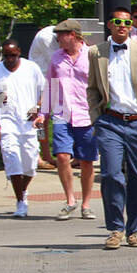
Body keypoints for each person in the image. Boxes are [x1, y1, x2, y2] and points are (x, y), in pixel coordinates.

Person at [87, 6, 137, 250]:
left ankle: (135, 230)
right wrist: (96, 117)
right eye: (117, 21)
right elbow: (92, 88)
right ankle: (115, 228)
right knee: (110, 175)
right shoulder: (96, 52)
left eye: (127, 22)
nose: (122, 26)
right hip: (110, 121)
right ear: (109, 25)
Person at [0, 38, 47, 217]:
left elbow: (44, 92)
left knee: (30, 166)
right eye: (6, 56)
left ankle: (22, 190)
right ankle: (21, 202)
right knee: (13, 162)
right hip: (7, 123)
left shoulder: (32, 68)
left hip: (28, 124)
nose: (10, 59)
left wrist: (37, 107)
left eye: (13, 55)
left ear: (19, 52)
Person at [47, 19, 98, 221]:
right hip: (62, 113)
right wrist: (43, 113)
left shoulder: (92, 55)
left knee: (86, 161)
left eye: (61, 34)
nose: (58, 38)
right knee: (62, 156)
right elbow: (50, 85)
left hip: (86, 114)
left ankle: (86, 203)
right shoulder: (55, 58)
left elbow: (102, 83)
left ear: (73, 35)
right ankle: (70, 200)